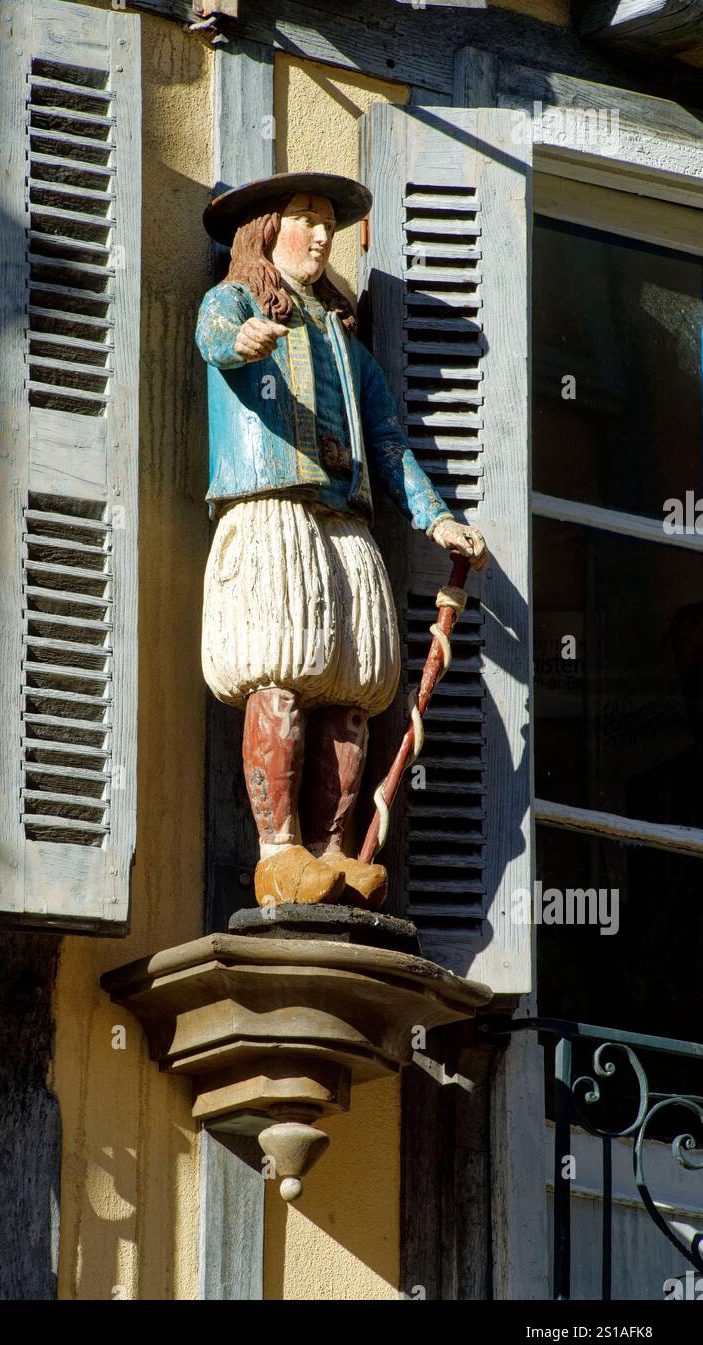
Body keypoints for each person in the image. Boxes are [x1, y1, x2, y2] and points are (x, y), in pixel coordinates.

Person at [196, 172, 487, 910]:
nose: (322, 237)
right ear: (265, 230)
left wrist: (434, 515)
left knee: (352, 691)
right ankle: (278, 853)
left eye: (329, 224)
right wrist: (243, 338)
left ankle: (332, 852)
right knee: (279, 673)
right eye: (305, 219)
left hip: (344, 525)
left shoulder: (344, 342)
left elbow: (388, 443)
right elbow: (211, 337)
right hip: (273, 515)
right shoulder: (234, 299)